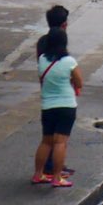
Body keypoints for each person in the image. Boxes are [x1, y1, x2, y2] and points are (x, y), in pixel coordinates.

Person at [32, 27, 83, 188]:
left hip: (47, 106)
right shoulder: (69, 62)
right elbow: (79, 82)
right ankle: (56, 177)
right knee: (60, 142)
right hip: (66, 106)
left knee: (46, 141)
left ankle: (38, 174)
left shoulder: (42, 60)